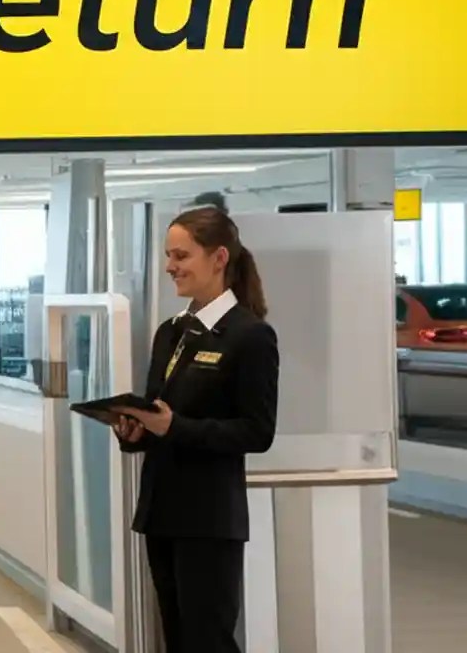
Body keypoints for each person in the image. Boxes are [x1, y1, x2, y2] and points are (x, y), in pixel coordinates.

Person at [110, 205, 279, 653]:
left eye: (181, 256)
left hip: (208, 516)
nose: (171, 267)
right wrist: (135, 431)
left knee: (209, 640)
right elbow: (158, 415)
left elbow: (256, 432)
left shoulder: (249, 336)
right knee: (178, 639)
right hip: (162, 509)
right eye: (169, 256)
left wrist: (174, 427)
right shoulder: (171, 332)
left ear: (219, 258)